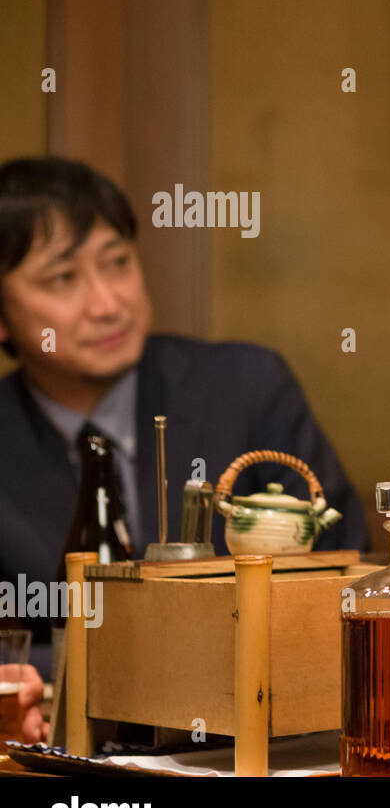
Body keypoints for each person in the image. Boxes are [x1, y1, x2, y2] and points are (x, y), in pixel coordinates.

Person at [0, 157, 369, 697]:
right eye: (62, 278)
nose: (107, 304)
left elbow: (340, 585)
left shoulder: (246, 388)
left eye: (118, 262)